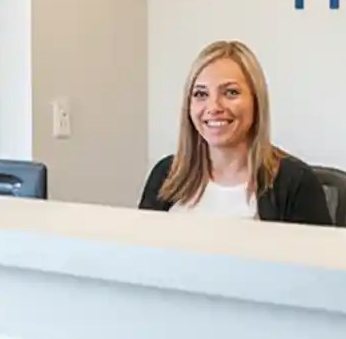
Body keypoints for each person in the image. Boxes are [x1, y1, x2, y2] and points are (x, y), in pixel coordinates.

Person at [139, 40, 334, 226]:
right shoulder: (167, 174)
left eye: (231, 92)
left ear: (256, 101)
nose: (213, 107)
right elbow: (138, 255)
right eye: (201, 94)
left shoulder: (295, 182)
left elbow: (317, 259)